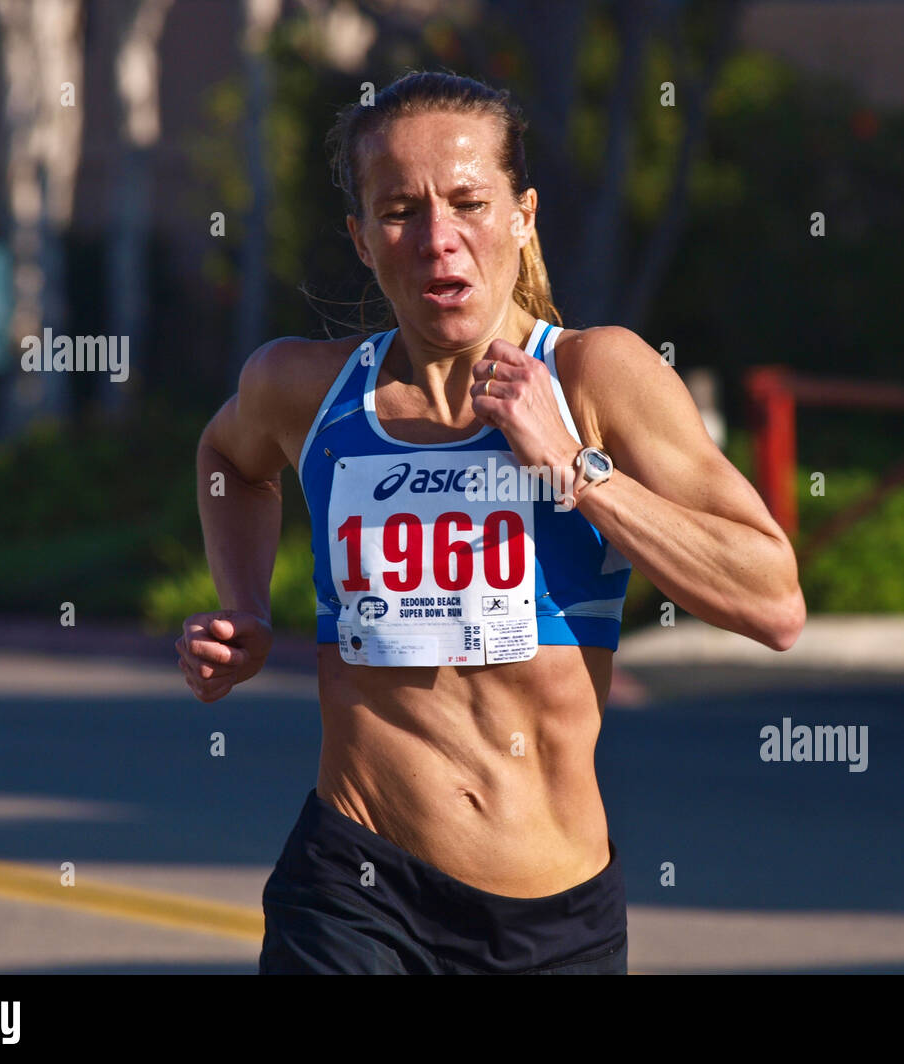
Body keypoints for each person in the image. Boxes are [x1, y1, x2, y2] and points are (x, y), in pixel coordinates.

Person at [175, 71, 805, 975]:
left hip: (550, 919)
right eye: (400, 211)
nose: (440, 241)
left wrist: (577, 469)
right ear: (360, 237)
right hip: (351, 887)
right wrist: (246, 608)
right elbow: (229, 460)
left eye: (470, 202)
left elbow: (774, 600)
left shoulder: (597, 379)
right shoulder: (303, 388)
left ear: (523, 215)